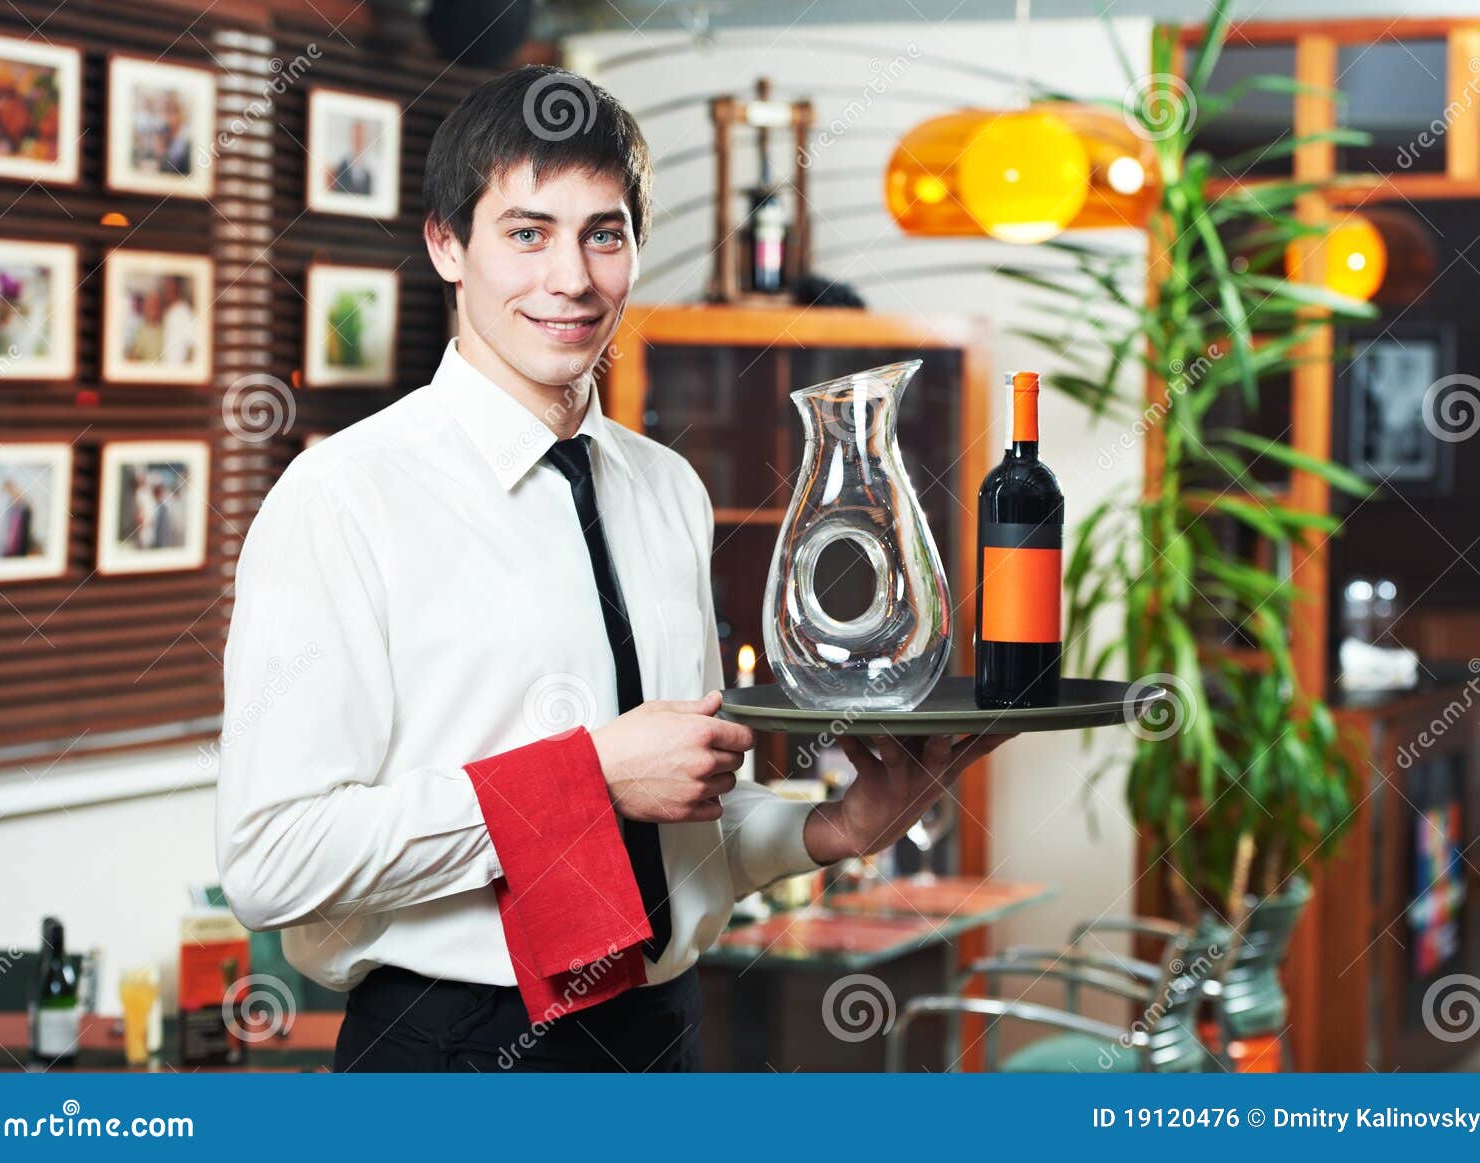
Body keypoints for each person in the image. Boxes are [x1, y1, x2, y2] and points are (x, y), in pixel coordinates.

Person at [215, 65, 1010, 1074]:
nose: (572, 278)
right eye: (526, 232)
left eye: (604, 233)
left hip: (662, 1032)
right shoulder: (342, 496)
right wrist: (586, 777)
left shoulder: (666, 487)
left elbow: (675, 816)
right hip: (453, 1052)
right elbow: (271, 859)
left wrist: (830, 828)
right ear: (446, 245)